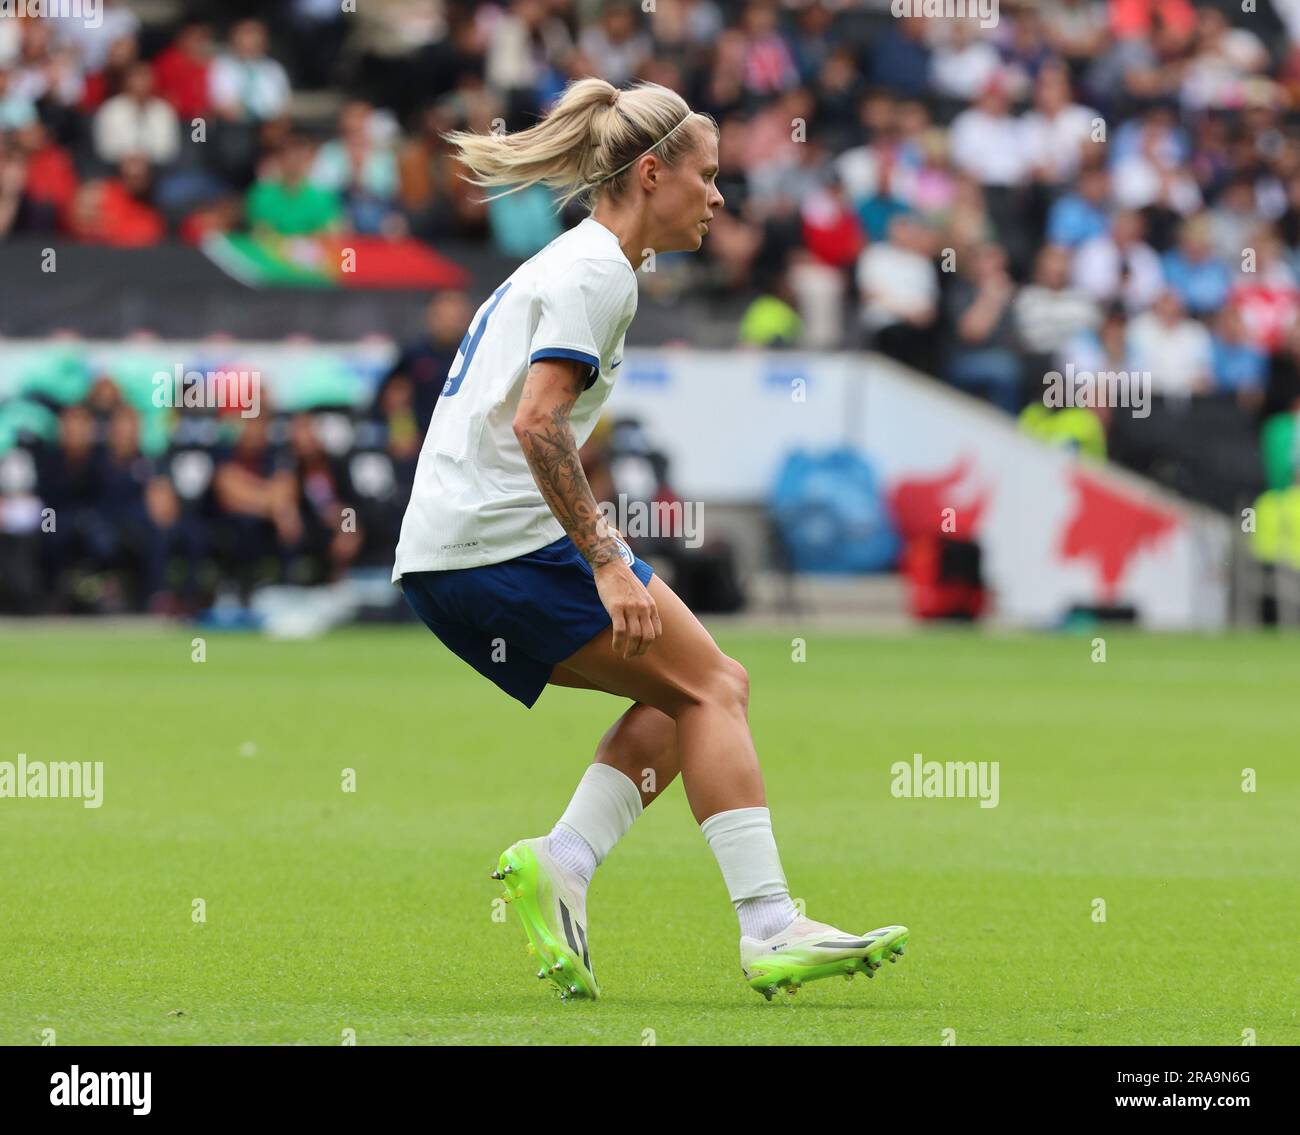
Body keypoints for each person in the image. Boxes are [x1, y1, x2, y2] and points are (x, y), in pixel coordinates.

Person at [391, 77, 908, 1003]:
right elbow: (539, 426)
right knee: (717, 686)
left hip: (462, 548)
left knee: (685, 696)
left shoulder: (587, 265)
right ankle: (768, 924)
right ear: (652, 170)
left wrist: (612, 550)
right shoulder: (596, 271)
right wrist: (606, 561)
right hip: (493, 545)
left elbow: (540, 423)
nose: (718, 197)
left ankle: (565, 860)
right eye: (706, 177)